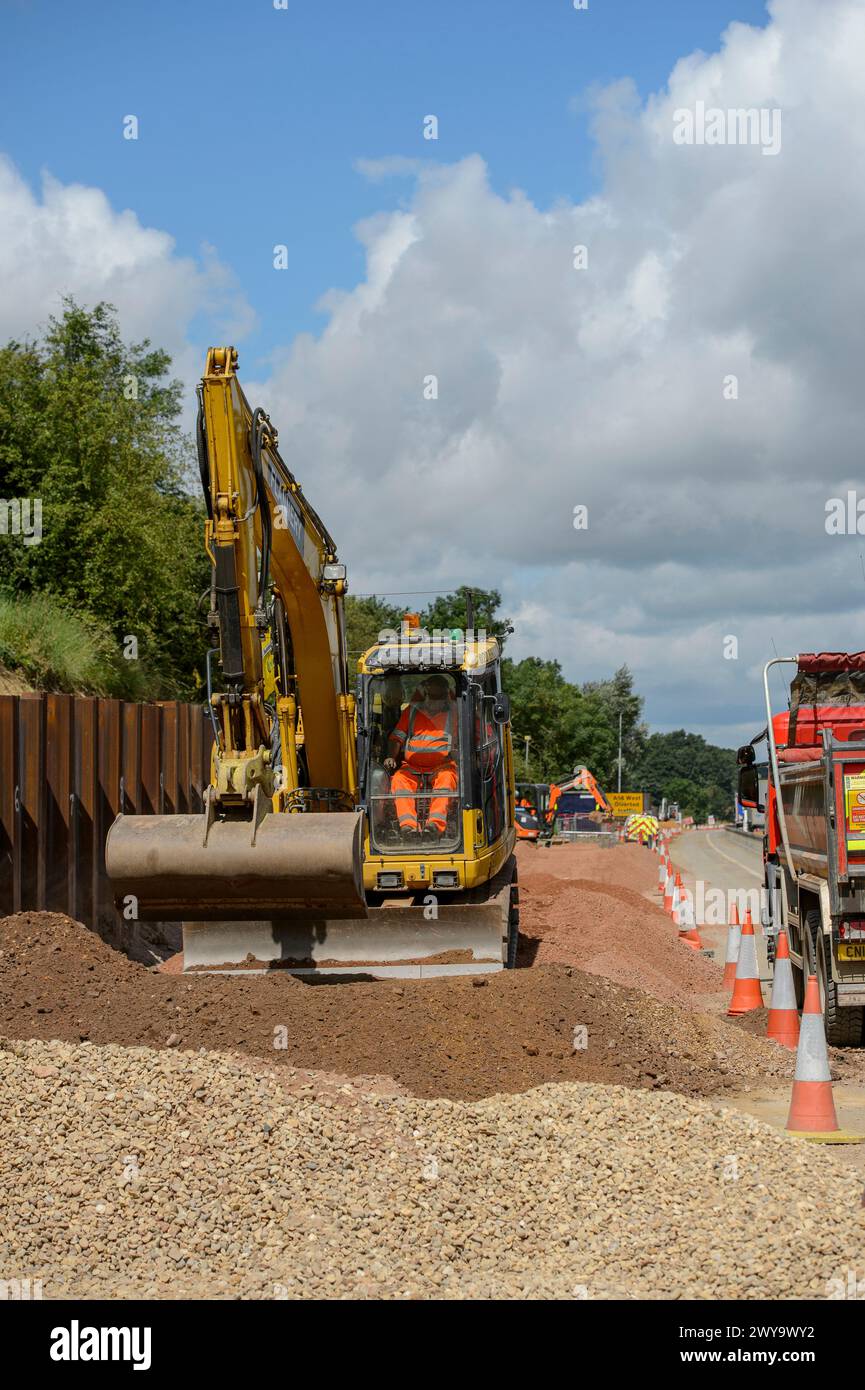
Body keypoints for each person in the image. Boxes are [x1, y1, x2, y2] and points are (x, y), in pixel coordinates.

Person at [384, 674, 457, 836]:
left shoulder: (456, 713)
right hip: (412, 767)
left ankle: (434, 827)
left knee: (446, 781)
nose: (435, 702)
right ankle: (408, 827)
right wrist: (390, 756)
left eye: (439, 697)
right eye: (432, 696)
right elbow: (397, 737)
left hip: (443, 766)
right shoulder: (411, 712)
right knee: (399, 780)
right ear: (425, 694)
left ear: (446, 695)